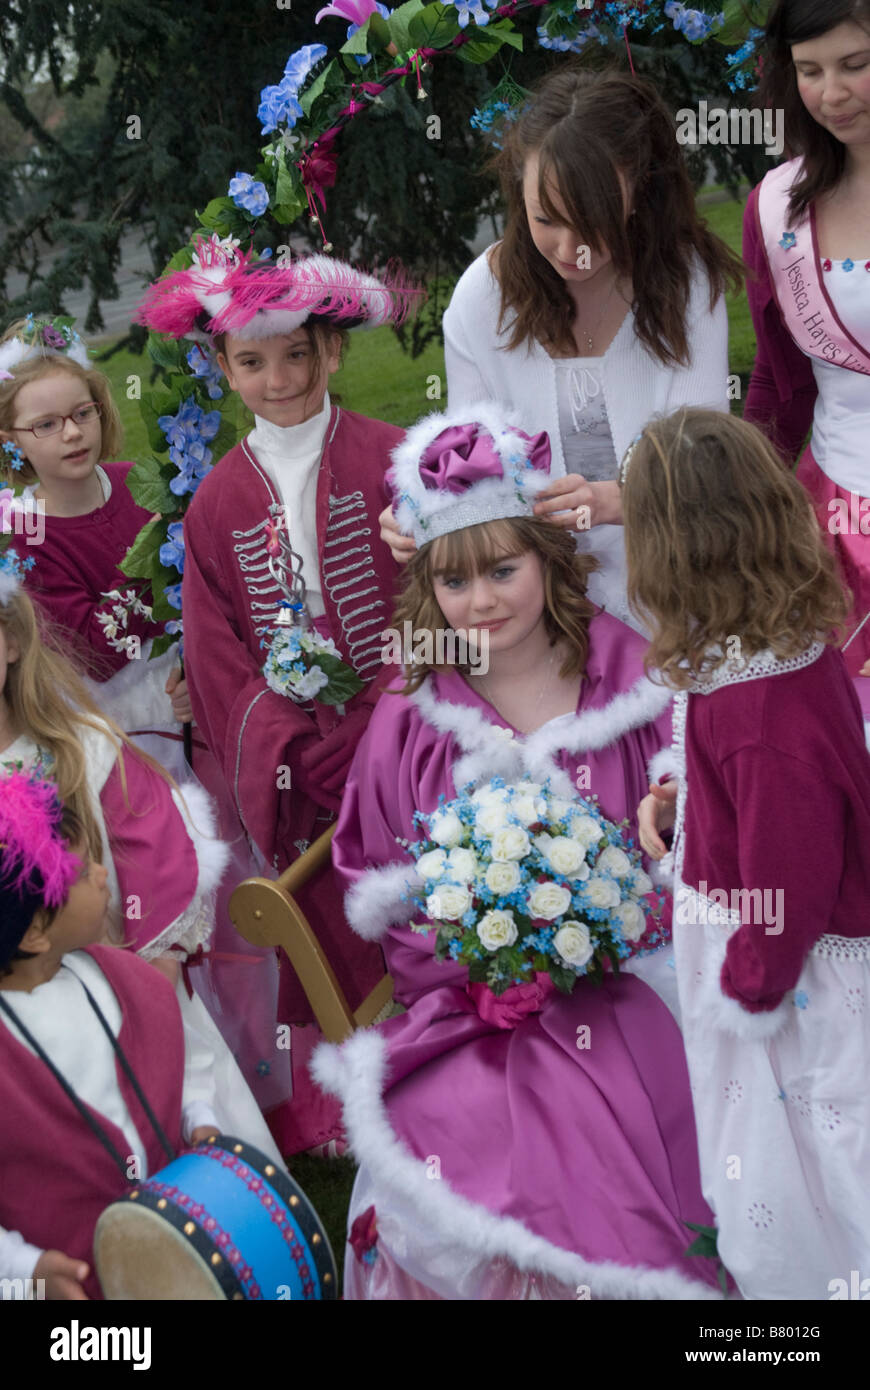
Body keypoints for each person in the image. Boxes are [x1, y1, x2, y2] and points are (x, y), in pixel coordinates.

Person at [313, 405, 723, 1301]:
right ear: (429, 593)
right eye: (456, 584)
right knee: (464, 1130)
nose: (484, 601)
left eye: (505, 570)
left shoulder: (636, 682)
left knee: (610, 1096)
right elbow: (384, 883)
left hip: (642, 972)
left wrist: (618, 919)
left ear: (550, 558)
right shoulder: (415, 718)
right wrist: (487, 968)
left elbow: (688, 839)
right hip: (472, 1006)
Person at [137, 240, 416, 1151]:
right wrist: (291, 752)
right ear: (221, 368)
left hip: (405, 733)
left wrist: (383, 718)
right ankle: (357, 1094)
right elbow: (218, 659)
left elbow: (435, 598)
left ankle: (446, 1056)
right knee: (325, 914)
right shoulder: (214, 504)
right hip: (298, 766)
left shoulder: (392, 458)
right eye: (251, 361)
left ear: (332, 351)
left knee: (422, 900)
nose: (279, 377)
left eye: (297, 354)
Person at [628, 408, 870, 1301]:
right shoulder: (769, 656)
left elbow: (791, 876)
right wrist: (691, 806)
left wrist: (747, 985)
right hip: (775, 963)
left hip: (793, 994)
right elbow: (769, 807)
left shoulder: (756, 708)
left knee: (808, 1163)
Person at [381, 67, 740, 631]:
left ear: (640, 186)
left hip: (681, 597)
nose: (571, 250)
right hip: (544, 618)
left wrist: (618, 501)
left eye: (593, 221)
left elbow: (707, 467)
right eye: (545, 218)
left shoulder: (684, 283)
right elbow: (471, 464)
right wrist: (423, 513)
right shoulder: (482, 297)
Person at [0, 558, 284, 1171]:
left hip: (123, 1000)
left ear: (12, 639)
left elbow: (156, 876)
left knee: (192, 1203)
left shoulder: (81, 749)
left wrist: (142, 1015)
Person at [0, 770, 221, 1300]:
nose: (103, 875)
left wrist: (201, 1120)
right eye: (80, 874)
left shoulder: (125, 981)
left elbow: (179, 1064)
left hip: (176, 1254)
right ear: (33, 932)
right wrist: (25, 1268)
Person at [744, 0, 870, 693]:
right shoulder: (777, 207)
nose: (831, 93)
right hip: (832, 522)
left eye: (855, 65)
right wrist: (734, 495)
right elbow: (778, 380)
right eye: (810, 71)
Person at [0, 315, 191, 761]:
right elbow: (98, 653)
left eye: (83, 414)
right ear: (11, 443)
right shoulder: (26, 538)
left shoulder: (141, 484)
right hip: (124, 732)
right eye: (45, 425)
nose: (71, 432)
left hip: (193, 692)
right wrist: (159, 550)